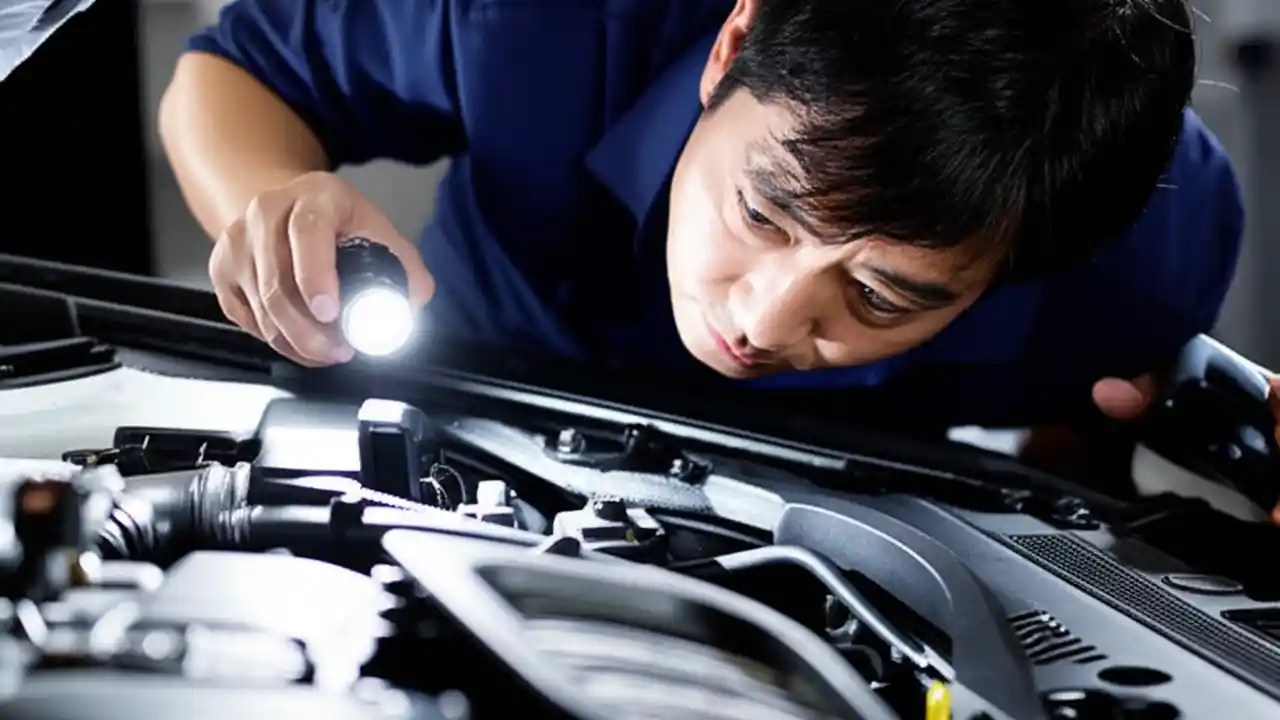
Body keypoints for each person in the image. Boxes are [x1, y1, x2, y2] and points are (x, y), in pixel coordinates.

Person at [159, 0, 1272, 458]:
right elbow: (238, 71)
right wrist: (266, 198)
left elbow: (1088, 444)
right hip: (463, 398)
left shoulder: (1139, 263)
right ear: (731, 49)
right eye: (762, 209)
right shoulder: (538, 22)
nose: (764, 318)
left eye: (881, 296)